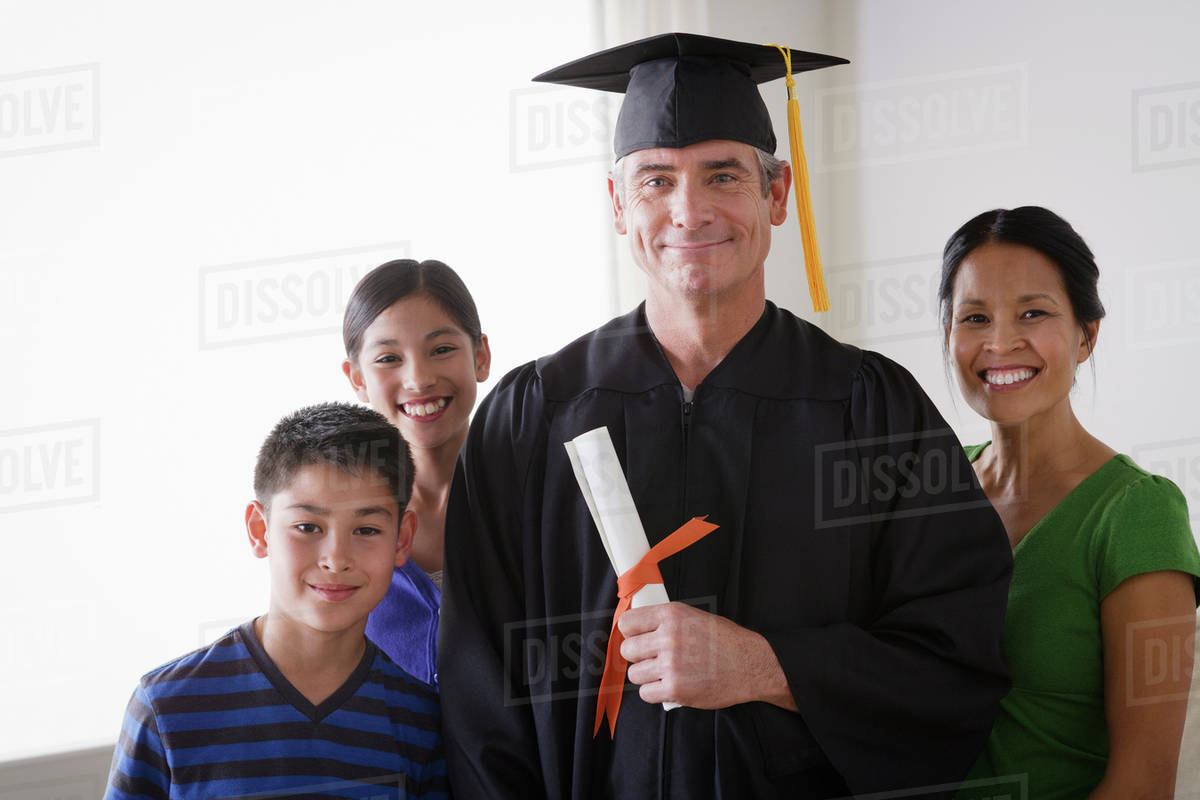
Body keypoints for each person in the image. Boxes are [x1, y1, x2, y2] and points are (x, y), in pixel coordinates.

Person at [439, 32, 1013, 799]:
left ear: (776, 196)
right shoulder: (533, 419)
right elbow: (480, 704)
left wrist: (766, 667)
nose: (689, 209)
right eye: (655, 181)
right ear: (617, 206)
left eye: (722, 175)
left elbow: (958, 657)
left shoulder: (873, 412)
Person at [941, 206, 1200, 799]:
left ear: (1087, 335)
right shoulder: (929, 485)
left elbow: (1143, 784)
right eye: (974, 317)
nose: (1000, 342)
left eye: (1033, 313)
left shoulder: (1136, 512)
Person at [103, 403, 448, 800]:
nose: (335, 558)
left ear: (402, 539)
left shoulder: (421, 722)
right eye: (307, 527)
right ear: (259, 530)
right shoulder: (166, 708)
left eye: (366, 529)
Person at [342, 258, 490, 687]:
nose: (419, 379)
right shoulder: (340, 525)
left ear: (480, 357)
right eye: (389, 358)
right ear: (357, 380)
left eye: (441, 349)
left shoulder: (532, 496)